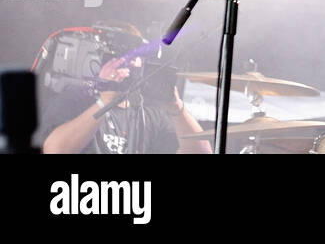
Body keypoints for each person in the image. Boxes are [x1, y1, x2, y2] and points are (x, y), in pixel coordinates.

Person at [34, 24, 211, 155]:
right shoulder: (75, 99)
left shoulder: (149, 113)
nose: (130, 62)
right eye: (121, 56)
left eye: (136, 55)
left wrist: (176, 107)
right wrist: (105, 101)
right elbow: (55, 150)